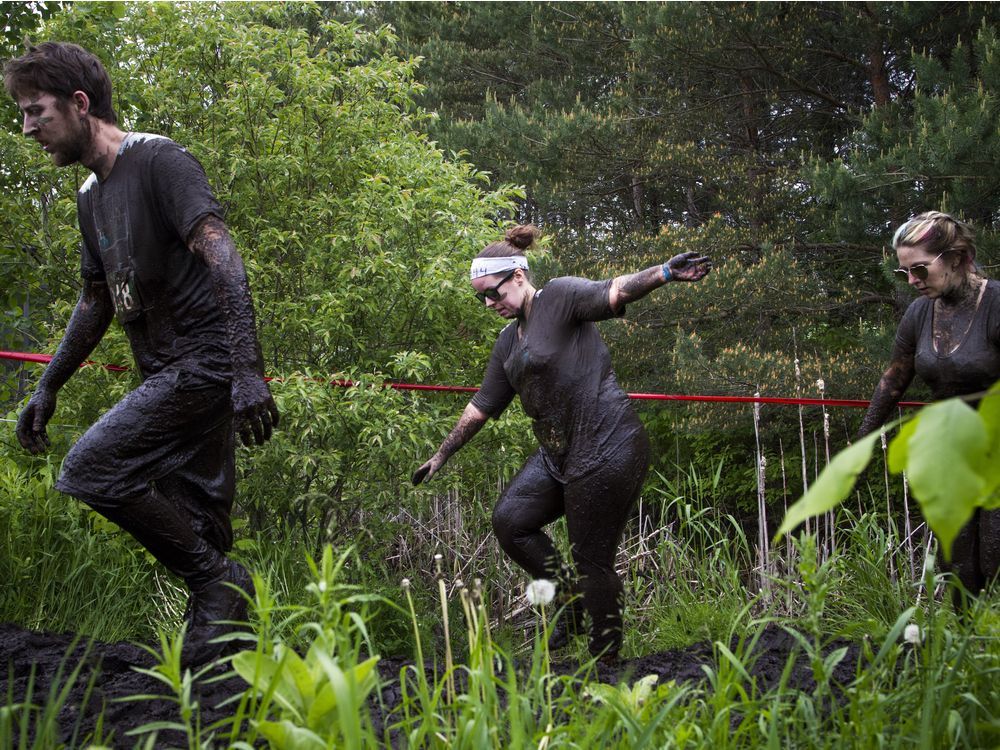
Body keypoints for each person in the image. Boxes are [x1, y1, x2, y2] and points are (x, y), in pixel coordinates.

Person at [5, 42, 279, 666]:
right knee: (198, 517)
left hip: (206, 362)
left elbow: (225, 261)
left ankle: (220, 583)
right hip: (167, 370)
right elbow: (95, 301)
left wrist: (246, 369)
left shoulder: (161, 162)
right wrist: (49, 384)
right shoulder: (89, 197)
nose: (27, 129)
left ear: (80, 104)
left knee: (91, 468)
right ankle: (218, 664)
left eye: (36, 112)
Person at [413, 225, 711, 661]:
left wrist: (664, 272)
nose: (489, 304)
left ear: (518, 275)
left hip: (608, 445)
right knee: (511, 521)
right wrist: (441, 455)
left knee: (592, 559)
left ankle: (606, 657)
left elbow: (614, 291)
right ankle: (567, 599)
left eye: (492, 293)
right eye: (481, 298)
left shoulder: (560, 298)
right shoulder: (507, 342)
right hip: (559, 455)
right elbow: (482, 405)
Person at [857, 211, 1000, 609]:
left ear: (955, 258)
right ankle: (964, 653)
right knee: (957, 560)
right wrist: (861, 442)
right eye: (905, 272)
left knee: (994, 555)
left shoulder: (996, 305)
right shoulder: (919, 313)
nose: (912, 281)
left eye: (919, 268)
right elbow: (894, 380)